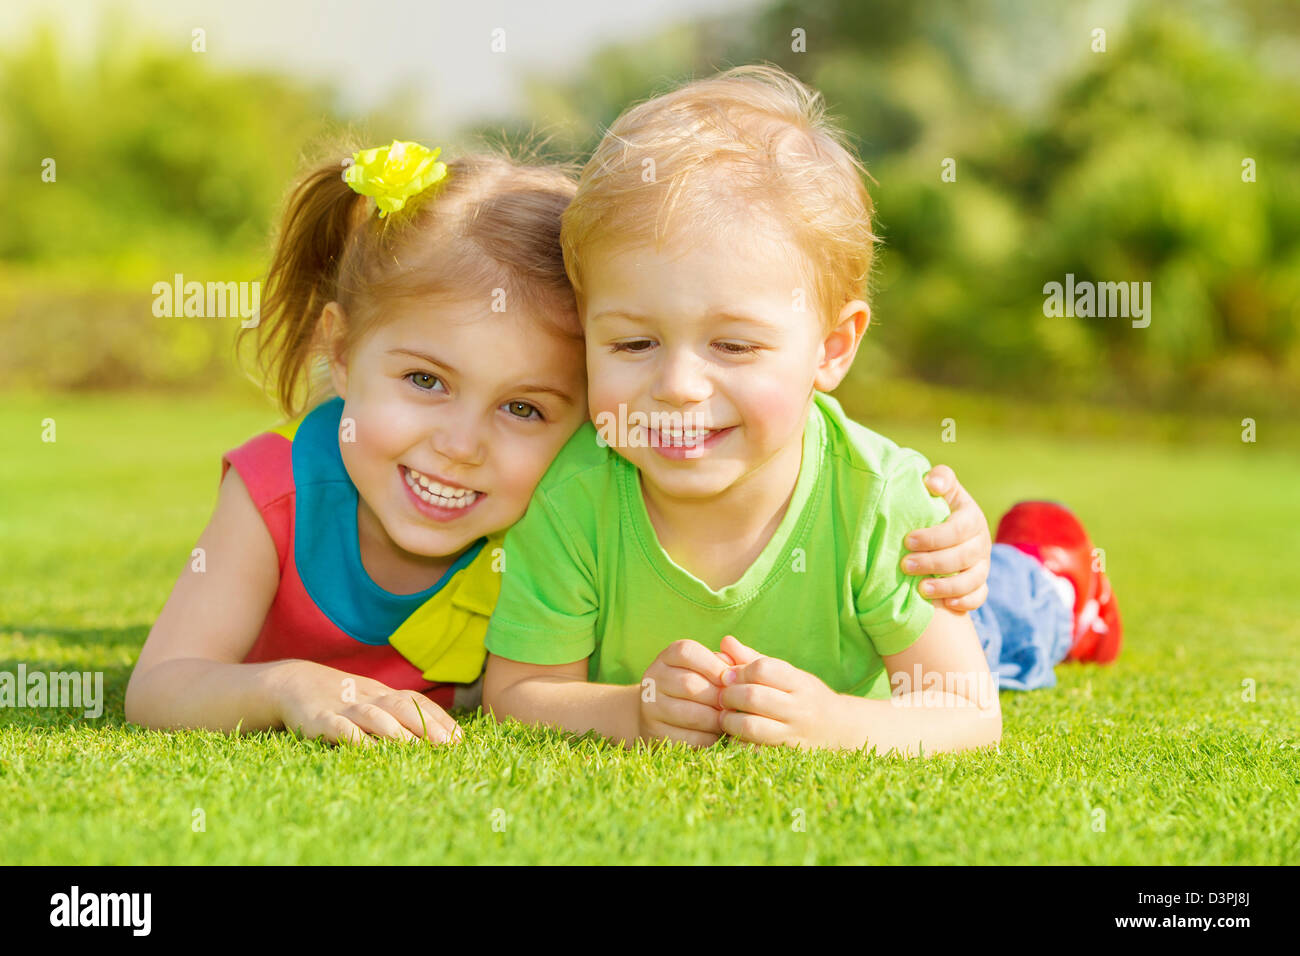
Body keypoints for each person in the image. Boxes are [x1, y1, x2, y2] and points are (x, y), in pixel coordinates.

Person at [124, 137, 995, 747]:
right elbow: (160, 684)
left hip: (918, 606)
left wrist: (957, 530)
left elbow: (948, 675)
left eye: (526, 409)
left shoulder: (574, 483)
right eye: (425, 381)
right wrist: (284, 687)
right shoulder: (278, 493)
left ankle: (1041, 573)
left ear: (583, 409)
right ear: (342, 353)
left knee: (1018, 613)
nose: (459, 445)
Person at [481, 67, 1122, 756]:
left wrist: (836, 724)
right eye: (634, 342)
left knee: (1010, 621)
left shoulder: (880, 503)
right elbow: (518, 693)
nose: (678, 385)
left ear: (832, 347)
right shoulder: (575, 495)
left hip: (924, 634)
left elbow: (967, 712)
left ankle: (1056, 578)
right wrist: (632, 711)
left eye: (733, 344)